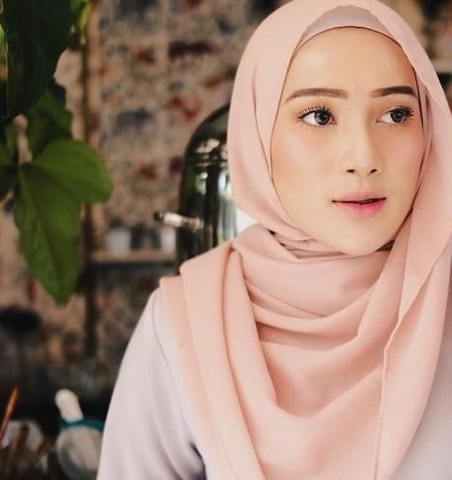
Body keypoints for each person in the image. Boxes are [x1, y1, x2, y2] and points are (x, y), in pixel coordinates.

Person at [97, 0, 452, 478]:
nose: (363, 157)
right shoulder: (186, 322)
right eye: (319, 116)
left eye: (395, 114)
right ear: (258, 133)